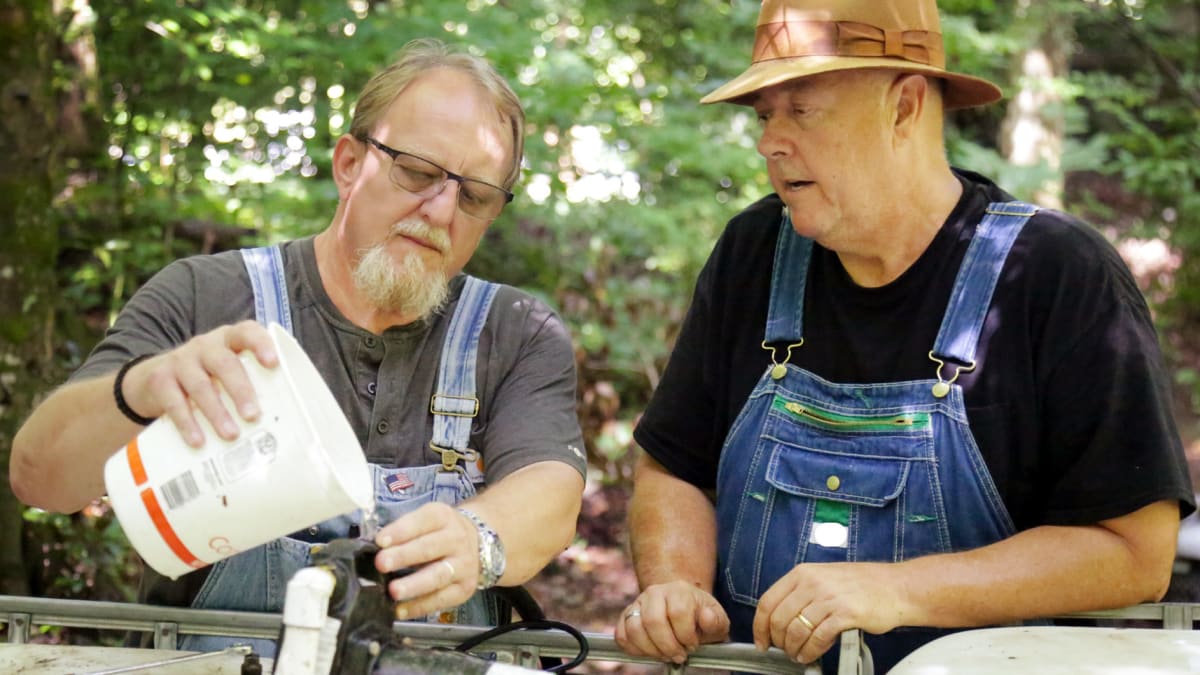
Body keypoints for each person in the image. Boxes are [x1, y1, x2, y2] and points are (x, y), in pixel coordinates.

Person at [614, 1, 1195, 672]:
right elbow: (673, 466)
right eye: (764, 114)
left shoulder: (1057, 276)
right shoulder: (754, 251)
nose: (769, 141)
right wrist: (674, 585)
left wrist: (894, 588)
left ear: (906, 106)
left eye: (800, 109)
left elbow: (1135, 552)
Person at [10, 38, 586, 656]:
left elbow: (550, 493)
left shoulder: (516, 331)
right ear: (348, 164)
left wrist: (479, 537)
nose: (441, 209)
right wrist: (139, 390)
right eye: (418, 172)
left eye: (474, 195)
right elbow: (41, 479)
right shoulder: (206, 295)